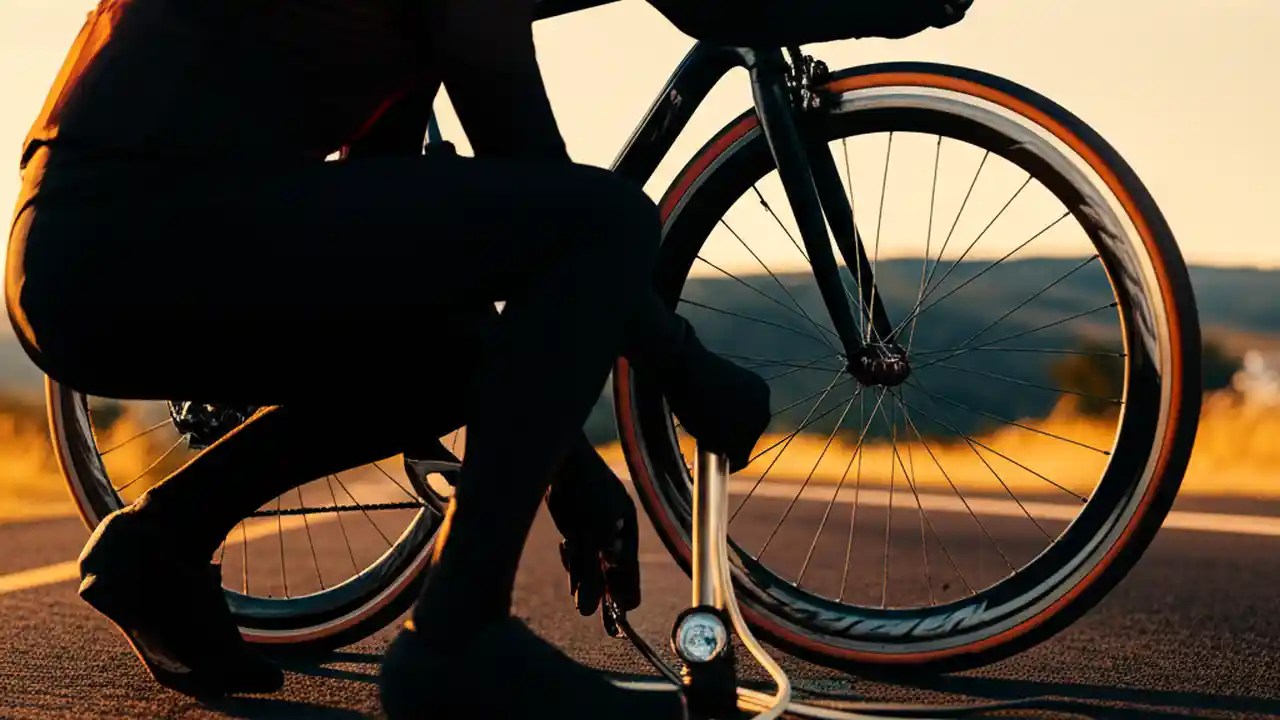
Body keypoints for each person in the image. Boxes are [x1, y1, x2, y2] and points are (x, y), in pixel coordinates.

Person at [5, 0, 970, 717]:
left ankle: (157, 546)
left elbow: (402, 223)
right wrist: (687, 371)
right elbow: (540, 172)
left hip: (88, 260)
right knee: (602, 222)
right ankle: (457, 637)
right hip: (131, 237)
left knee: (437, 347)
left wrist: (569, 465)